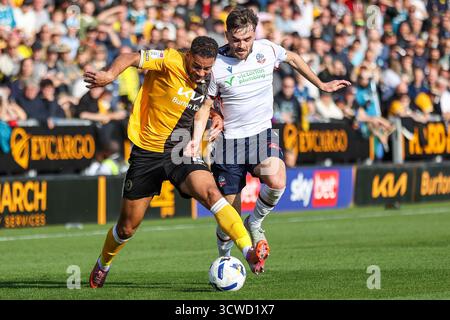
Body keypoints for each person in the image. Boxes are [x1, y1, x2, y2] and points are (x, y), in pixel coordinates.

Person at [84, 36, 268, 289]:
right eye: (197, 67)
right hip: (147, 151)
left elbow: (201, 105)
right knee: (127, 228)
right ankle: (103, 264)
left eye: (207, 68)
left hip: (180, 148)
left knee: (212, 192)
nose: (201, 73)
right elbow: (130, 57)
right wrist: (109, 74)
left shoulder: (207, 77)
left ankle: (247, 250)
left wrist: (216, 115)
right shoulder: (169, 60)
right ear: (189, 56)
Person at [190, 7, 351, 268]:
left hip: (261, 133)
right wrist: (200, 137)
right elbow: (206, 104)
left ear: (255, 34)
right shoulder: (216, 64)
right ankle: (225, 261)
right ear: (227, 35)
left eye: (246, 39)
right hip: (229, 143)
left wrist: (320, 85)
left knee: (277, 180)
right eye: (235, 39)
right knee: (229, 214)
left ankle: (255, 223)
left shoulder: (267, 49)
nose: (241, 45)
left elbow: (294, 58)